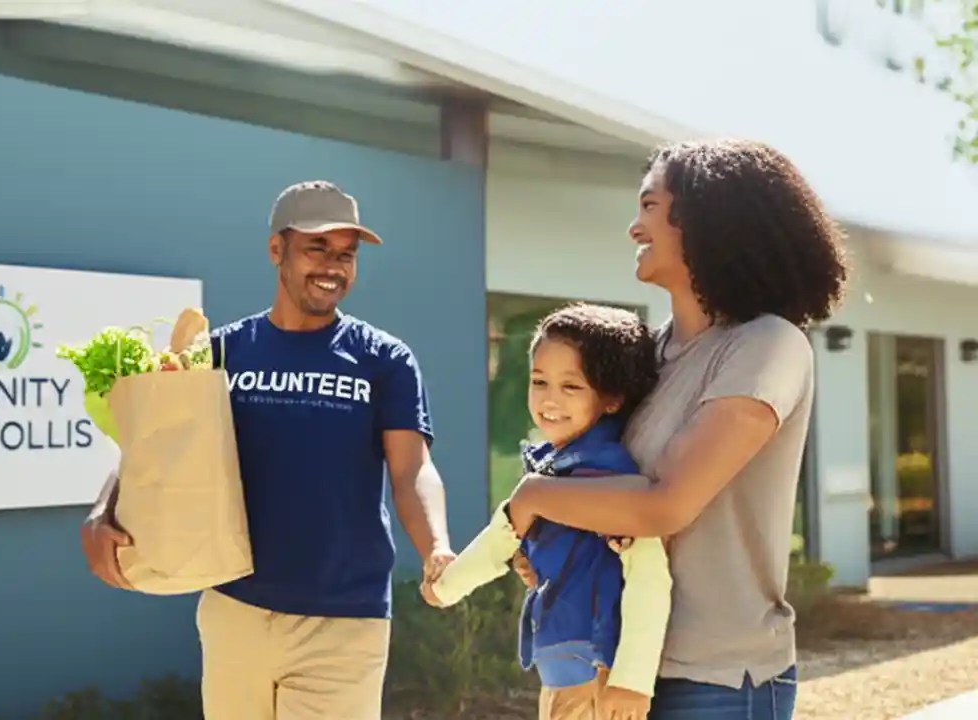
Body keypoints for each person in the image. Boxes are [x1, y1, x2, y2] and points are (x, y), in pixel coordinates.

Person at [79, 179, 455, 720]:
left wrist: (436, 546)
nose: (334, 267)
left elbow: (412, 469)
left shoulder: (384, 359)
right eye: (317, 248)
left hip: (344, 621)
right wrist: (101, 513)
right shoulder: (218, 352)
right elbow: (154, 448)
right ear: (276, 249)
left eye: (346, 255)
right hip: (236, 608)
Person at [506, 139, 849, 719]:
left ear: (705, 218)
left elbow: (668, 503)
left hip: (714, 676)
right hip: (616, 665)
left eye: (648, 207)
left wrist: (537, 498)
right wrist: (550, 541)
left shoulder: (766, 345)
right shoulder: (649, 353)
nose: (633, 228)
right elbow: (605, 485)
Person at [425, 304, 671, 720]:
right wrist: (447, 585)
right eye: (539, 381)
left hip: (595, 677)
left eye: (571, 387)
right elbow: (506, 535)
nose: (548, 399)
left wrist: (632, 680)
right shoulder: (558, 466)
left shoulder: (606, 477)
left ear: (611, 398)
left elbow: (650, 577)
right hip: (563, 672)